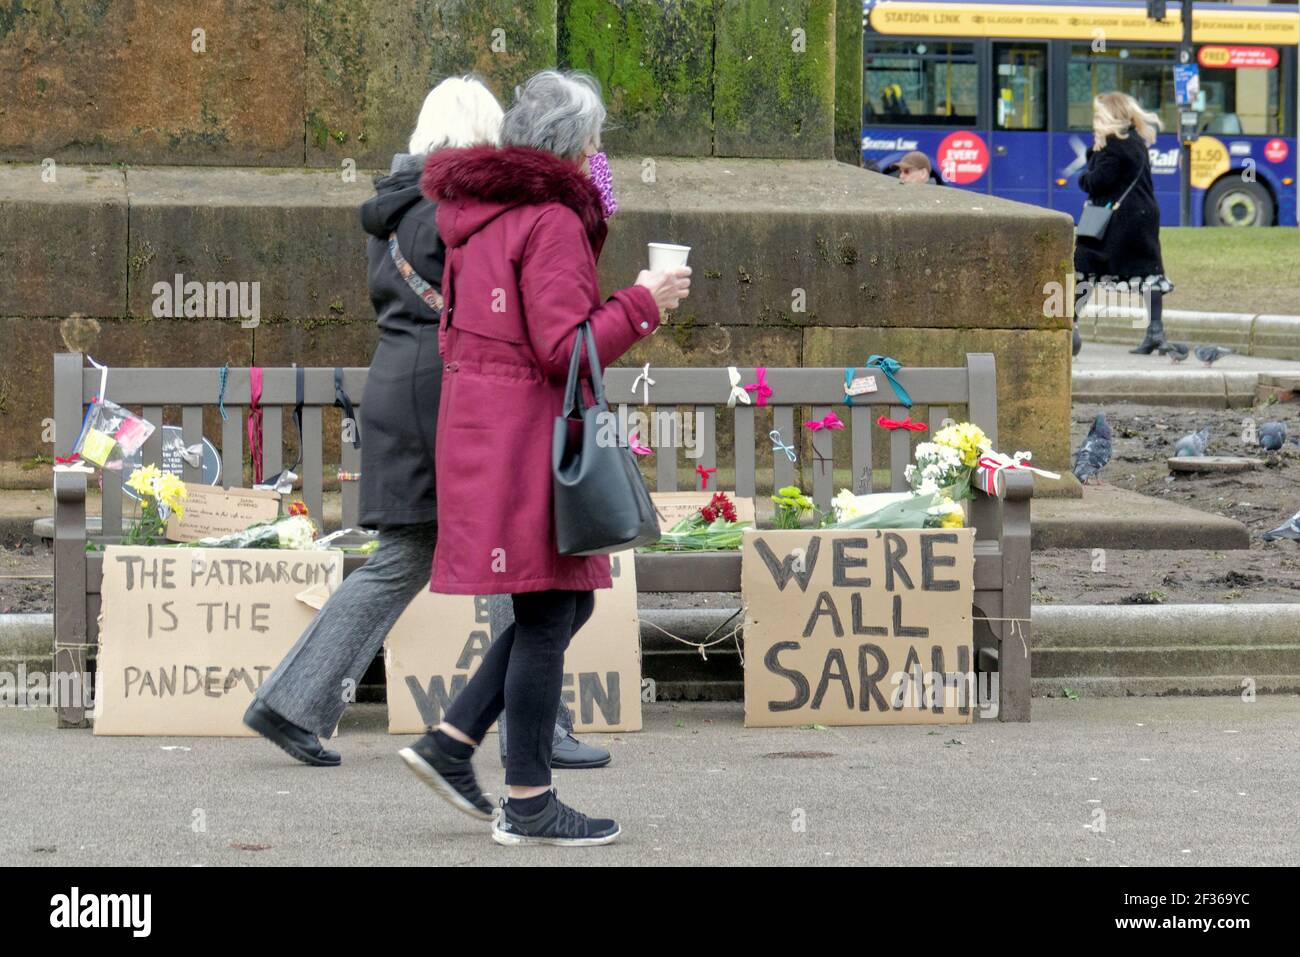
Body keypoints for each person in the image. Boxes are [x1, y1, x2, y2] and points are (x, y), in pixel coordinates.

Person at [242, 76, 605, 770]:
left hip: (397, 387)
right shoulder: (457, 210)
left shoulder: (398, 206)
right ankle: (537, 728)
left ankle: (292, 701)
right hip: (450, 391)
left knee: (410, 555)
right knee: (514, 550)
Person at [401, 69, 690, 847]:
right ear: (570, 146)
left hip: (486, 431)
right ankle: (528, 800)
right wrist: (644, 301)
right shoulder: (552, 220)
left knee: (559, 605)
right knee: (548, 611)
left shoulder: (479, 215)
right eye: (593, 143)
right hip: (529, 438)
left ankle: (452, 741)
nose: (598, 157)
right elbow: (565, 350)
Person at [1073, 91, 1173, 357]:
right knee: (1148, 271)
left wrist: (1083, 176)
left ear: (1108, 116)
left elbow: (1098, 182)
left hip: (1112, 218)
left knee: (1086, 265)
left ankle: (1068, 326)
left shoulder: (1111, 144)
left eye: (1098, 113)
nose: (1094, 118)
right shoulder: (1136, 141)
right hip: (1144, 214)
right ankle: (1155, 332)